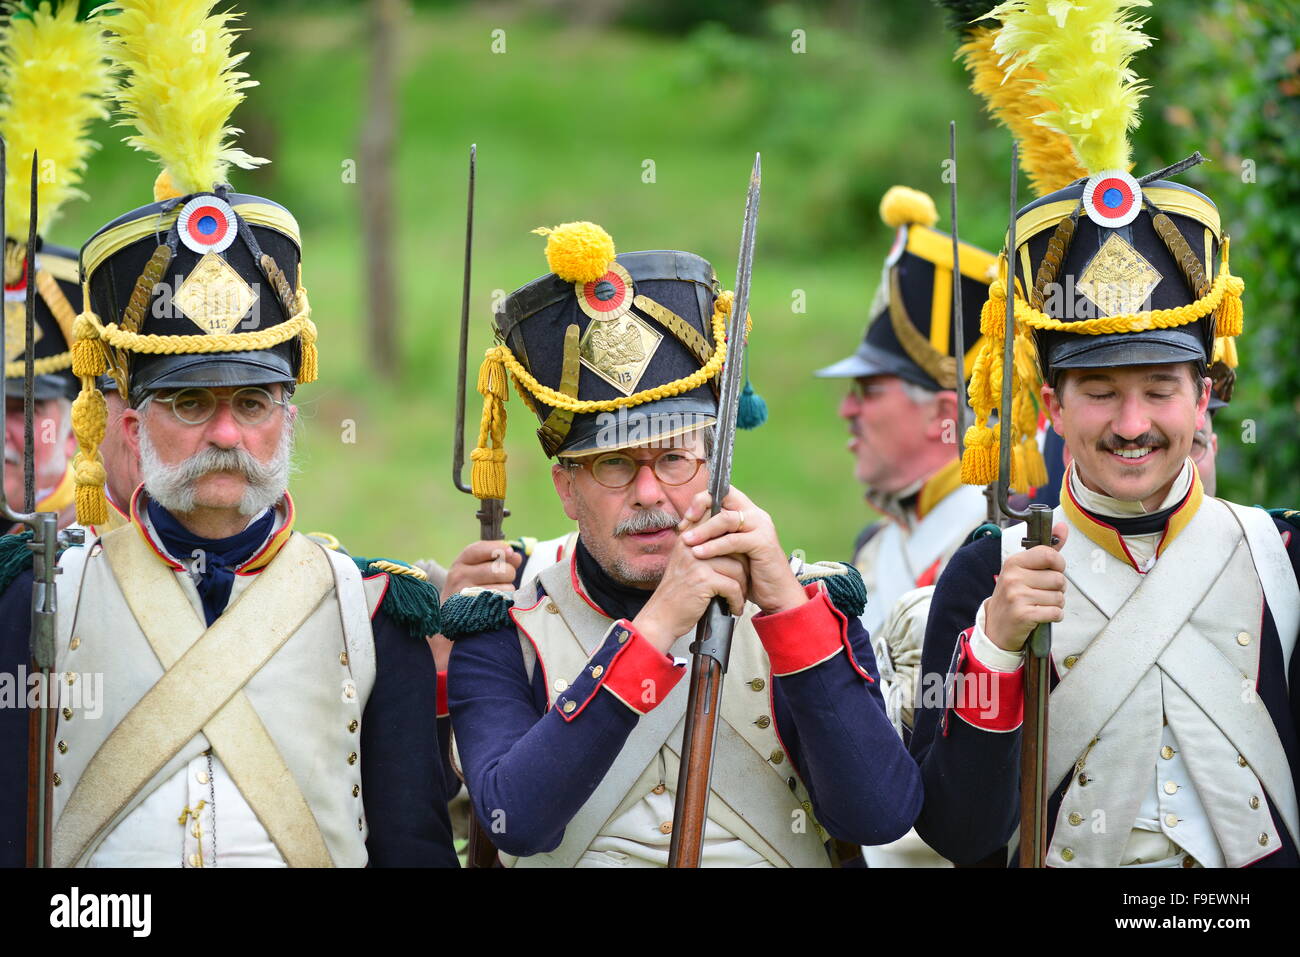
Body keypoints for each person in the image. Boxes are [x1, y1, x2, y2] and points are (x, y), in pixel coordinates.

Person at [0, 0, 456, 867]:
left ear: (289, 412)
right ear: (128, 418)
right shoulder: (35, 601)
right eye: (189, 403)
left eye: (253, 404)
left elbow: (413, 849)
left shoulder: (374, 613)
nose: (226, 433)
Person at [912, 3, 1296, 868]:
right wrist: (997, 647)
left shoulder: (1286, 561)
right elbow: (960, 832)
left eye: (1160, 388)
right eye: (1100, 392)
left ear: (1206, 395)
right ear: (1048, 403)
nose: (1131, 425)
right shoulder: (983, 573)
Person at [443, 220, 921, 867]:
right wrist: (660, 621)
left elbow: (879, 812)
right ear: (566, 487)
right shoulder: (503, 628)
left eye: (674, 456)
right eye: (614, 464)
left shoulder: (806, 607)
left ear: (712, 458)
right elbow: (515, 820)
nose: (648, 492)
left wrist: (784, 605)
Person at [815, 185, 995, 867]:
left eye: (868, 390)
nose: (846, 411)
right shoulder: (876, 546)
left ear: (941, 412)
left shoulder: (996, 545)